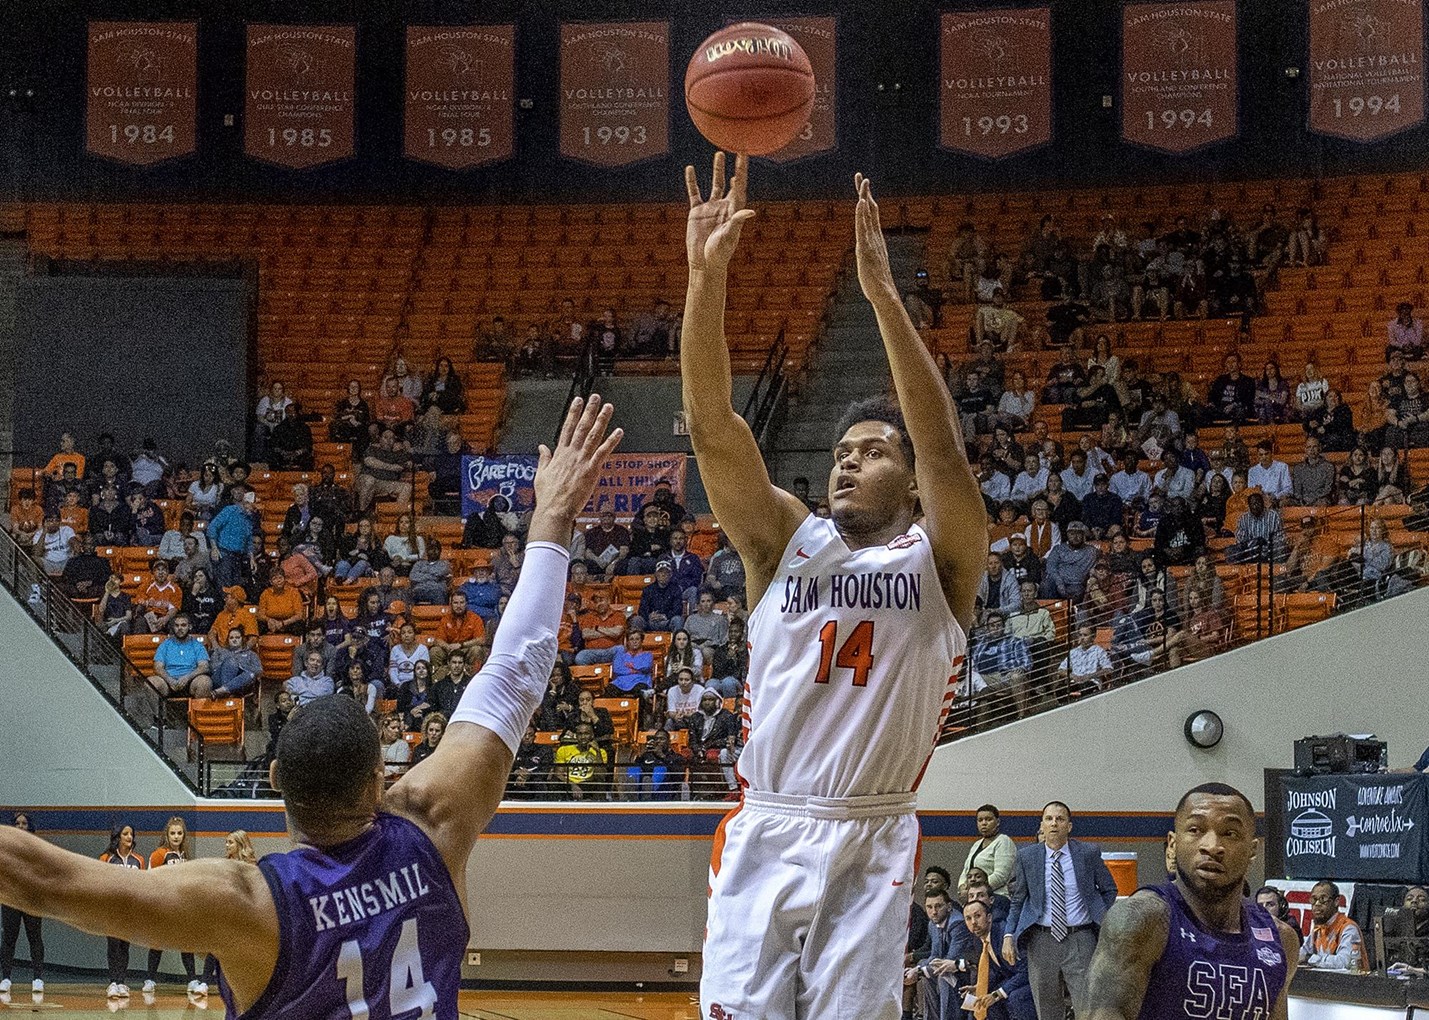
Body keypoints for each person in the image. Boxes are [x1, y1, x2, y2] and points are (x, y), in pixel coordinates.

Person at [0, 393, 622, 1018]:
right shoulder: (434, 825)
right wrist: (554, 516)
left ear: (276, 781)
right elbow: (518, 667)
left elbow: (44, 880)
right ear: (382, 780)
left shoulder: (252, 905)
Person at [683, 157, 984, 1020]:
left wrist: (884, 300)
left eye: (873, 450)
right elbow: (712, 426)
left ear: (911, 482)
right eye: (842, 452)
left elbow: (946, 456)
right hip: (767, 827)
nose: (848, 459)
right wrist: (706, 281)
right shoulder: (784, 543)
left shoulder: (941, 562)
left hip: (872, 830)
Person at [1084, 783, 1297, 1020]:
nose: (1212, 846)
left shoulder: (1281, 939)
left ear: (1252, 850)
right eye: (1195, 829)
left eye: (1230, 833)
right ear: (1173, 845)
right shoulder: (1141, 920)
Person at [1005, 801, 1119, 1020]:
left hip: (1081, 938)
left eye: (1060, 819)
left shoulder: (1087, 853)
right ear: (1042, 826)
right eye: (1049, 819)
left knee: (1087, 1006)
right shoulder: (1027, 857)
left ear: (1069, 825)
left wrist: (1098, 913)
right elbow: (1018, 900)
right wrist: (1009, 934)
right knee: (1047, 1010)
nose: (1054, 823)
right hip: (1041, 940)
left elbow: (1109, 888)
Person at [144, 817, 203, 995]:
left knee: (186, 943)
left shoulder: (185, 856)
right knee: (157, 942)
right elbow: (149, 879)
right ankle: (150, 979)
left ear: (184, 836)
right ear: (167, 835)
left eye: (179, 833)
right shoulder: (159, 854)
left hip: (182, 907)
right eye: (173, 833)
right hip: (163, 905)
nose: (176, 837)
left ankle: (192, 979)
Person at [97, 823, 144, 998]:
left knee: (125, 946)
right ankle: (113, 982)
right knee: (113, 946)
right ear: (118, 837)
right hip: (112, 909)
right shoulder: (106, 858)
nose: (129, 837)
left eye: (131, 834)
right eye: (125, 834)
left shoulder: (138, 860)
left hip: (130, 910)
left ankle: (122, 982)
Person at [0, 814, 43, 996]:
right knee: (9, 939)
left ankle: (38, 978)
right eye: (17, 823)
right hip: (11, 898)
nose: (20, 826)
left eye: (24, 823)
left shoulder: (39, 849)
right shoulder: (5, 849)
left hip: (32, 899)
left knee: (35, 938)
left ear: (30, 827)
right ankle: (6, 978)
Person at [1300, 880, 1366, 971]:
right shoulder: (1317, 929)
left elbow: (1344, 963)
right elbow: (1301, 954)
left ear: (1336, 901)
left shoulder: (1348, 928)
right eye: (1314, 899)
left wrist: (1310, 958)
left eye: (1323, 899)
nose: (1317, 904)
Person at [959, 805, 1016, 896]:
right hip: (973, 896)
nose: (984, 823)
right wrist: (962, 887)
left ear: (997, 822)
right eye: (980, 820)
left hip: (997, 896)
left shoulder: (1004, 841)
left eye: (988, 819)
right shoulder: (976, 844)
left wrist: (976, 890)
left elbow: (1000, 876)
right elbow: (965, 872)